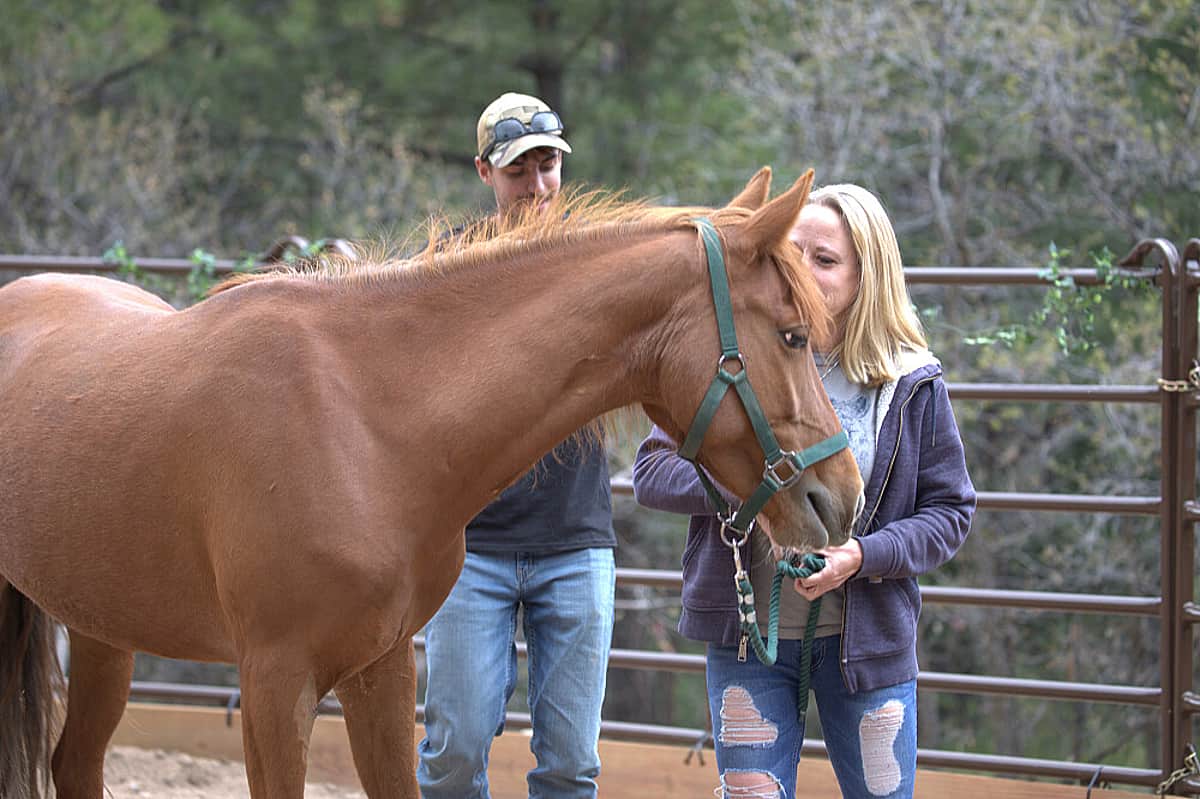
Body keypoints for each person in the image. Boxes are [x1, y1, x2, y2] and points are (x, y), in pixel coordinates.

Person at [631, 183, 976, 799]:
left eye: (826, 260)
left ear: (866, 276)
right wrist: (752, 486)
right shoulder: (737, 358)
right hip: (750, 642)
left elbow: (949, 512)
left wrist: (863, 556)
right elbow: (653, 473)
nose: (804, 272)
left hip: (867, 648)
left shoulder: (910, 382)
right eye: (794, 254)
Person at [416, 92, 617, 799]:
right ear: (484, 172)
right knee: (455, 749)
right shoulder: (448, 266)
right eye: (517, 171)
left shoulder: (597, 260)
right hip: (470, 543)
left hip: (575, 537)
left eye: (548, 165)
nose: (537, 186)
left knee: (571, 761)